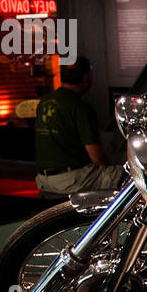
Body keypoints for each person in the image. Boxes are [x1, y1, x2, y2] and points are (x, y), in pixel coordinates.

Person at [33, 56, 119, 193]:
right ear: (86, 78)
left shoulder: (44, 101)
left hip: (43, 180)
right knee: (123, 176)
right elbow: (97, 158)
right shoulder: (81, 108)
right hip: (70, 180)